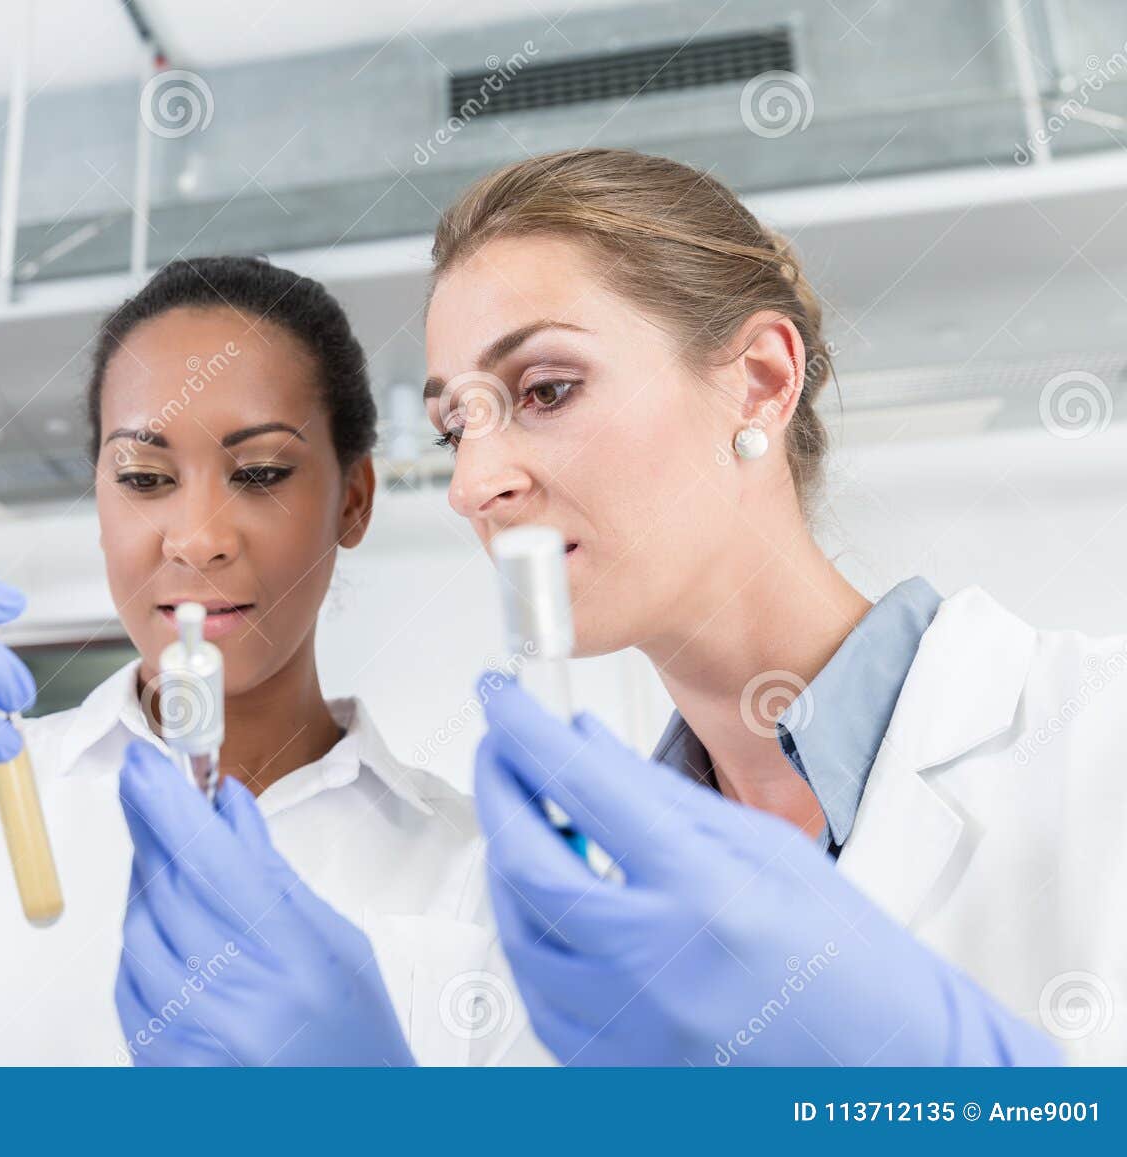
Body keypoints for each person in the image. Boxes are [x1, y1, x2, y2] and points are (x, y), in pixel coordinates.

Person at [115, 148, 1126, 1066]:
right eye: (452, 427)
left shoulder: (1094, 737)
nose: (473, 482)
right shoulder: (539, 911)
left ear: (762, 383)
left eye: (546, 388)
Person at [0, 256, 543, 1067]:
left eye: (262, 472)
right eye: (145, 478)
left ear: (352, 500)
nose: (195, 539)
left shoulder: (482, 872)